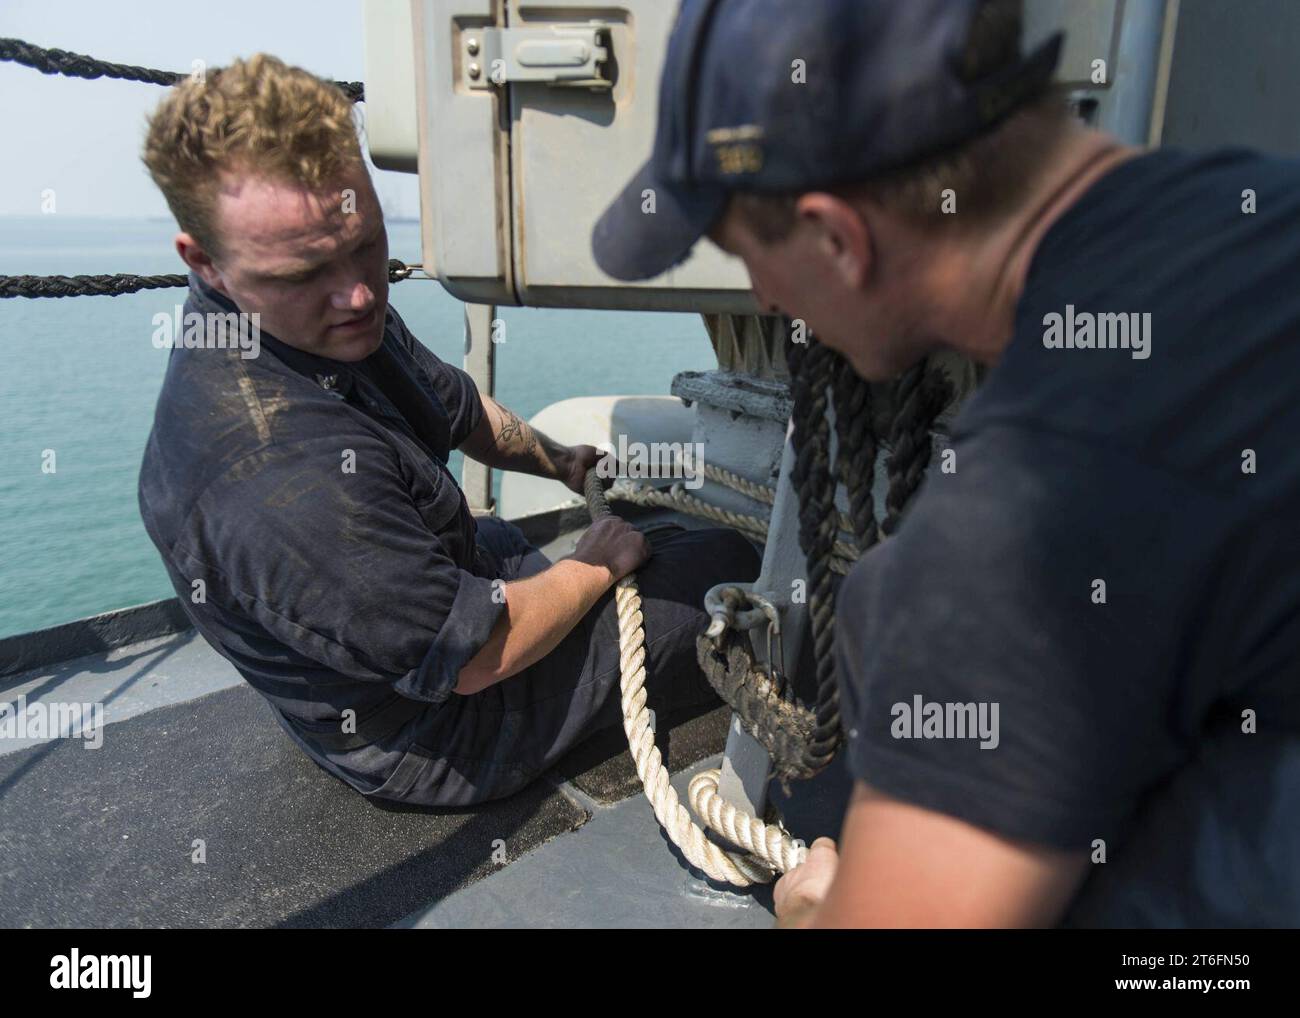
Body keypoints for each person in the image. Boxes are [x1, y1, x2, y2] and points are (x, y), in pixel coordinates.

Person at [592, 0, 1300, 926]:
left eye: (748, 255)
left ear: (840, 238)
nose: (763, 294)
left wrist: (823, 914)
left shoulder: (1005, 542)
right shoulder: (1260, 207)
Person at [137, 53, 759, 808]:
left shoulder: (322, 316)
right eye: (305, 274)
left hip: (436, 589)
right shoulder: (269, 468)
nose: (361, 295)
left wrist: (561, 461)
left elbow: (458, 408)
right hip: (441, 728)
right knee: (725, 572)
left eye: (365, 240)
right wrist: (592, 568)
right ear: (204, 262)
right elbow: (474, 656)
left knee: (650, 533)